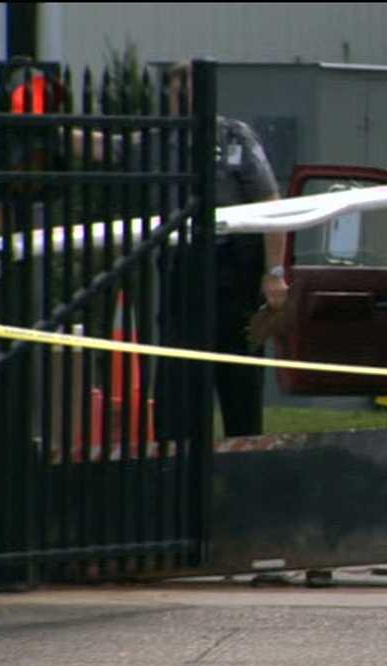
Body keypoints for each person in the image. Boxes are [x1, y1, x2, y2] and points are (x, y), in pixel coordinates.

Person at [75, 62, 287, 437]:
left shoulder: (233, 136)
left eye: (189, 81)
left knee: (240, 382)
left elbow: (271, 203)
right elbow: (107, 149)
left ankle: (245, 469)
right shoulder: (161, 141)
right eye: (176, 82)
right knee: (178, 383)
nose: (183, 90)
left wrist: (274, 273)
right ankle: (176, 468)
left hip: (233, 271)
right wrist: (49, 130)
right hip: (183, 270)